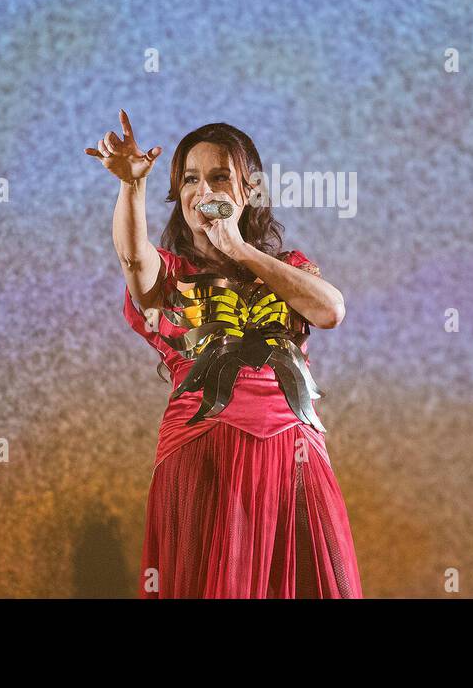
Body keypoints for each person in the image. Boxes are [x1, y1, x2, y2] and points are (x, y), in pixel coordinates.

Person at [86, 110, 363, 598]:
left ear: (247, 192)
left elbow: (331, 310)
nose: (204, 190)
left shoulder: (288, 268)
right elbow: (133, 259)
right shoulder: (169, 274)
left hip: (294, 455)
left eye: (219, 177)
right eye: (190, 179)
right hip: (204, 454)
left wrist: (241, 251)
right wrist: (131, 187)